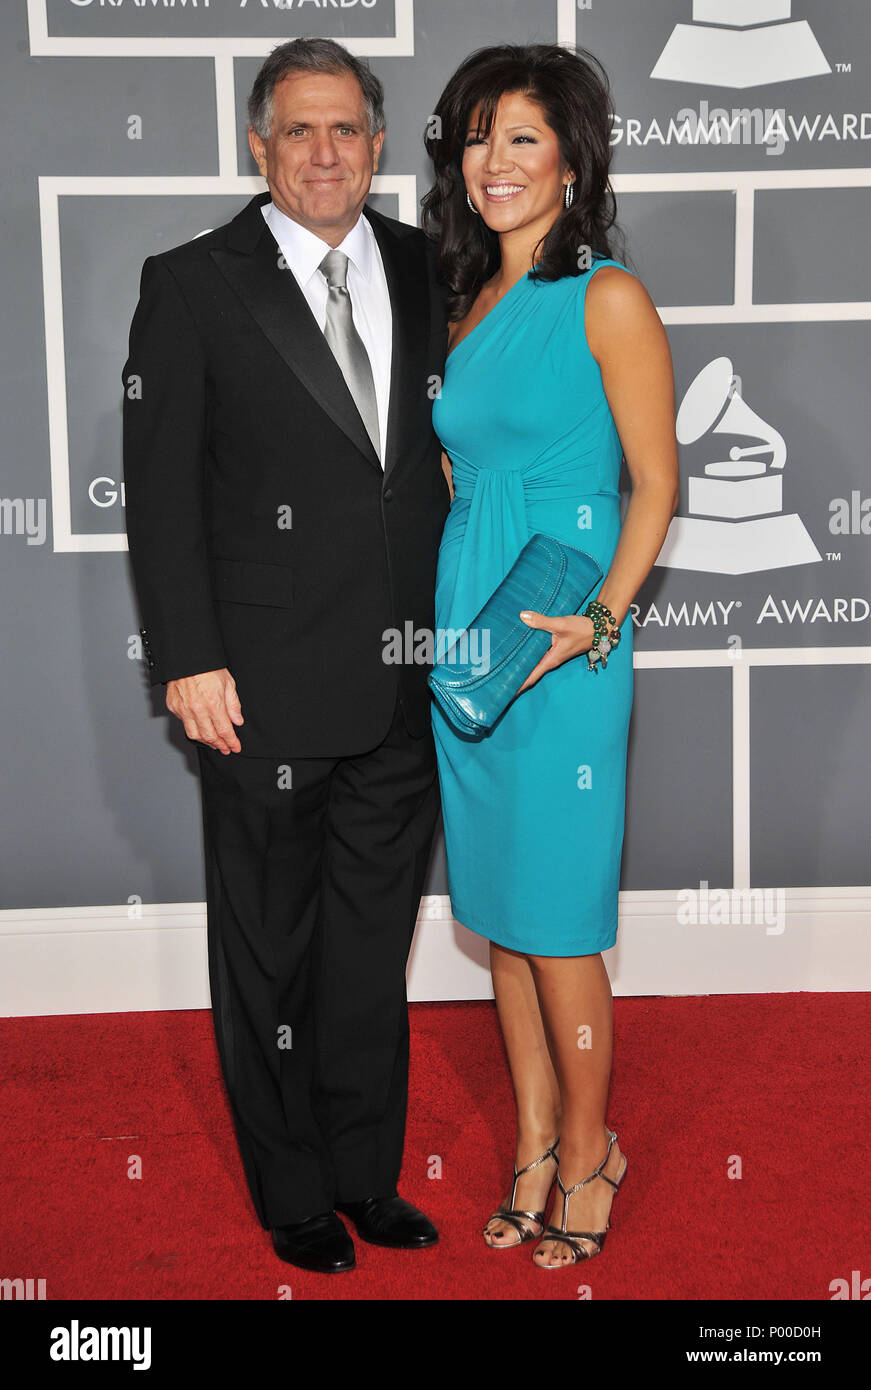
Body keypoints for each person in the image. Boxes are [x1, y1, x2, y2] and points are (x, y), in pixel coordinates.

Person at [122, 38, 450, 1274]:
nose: (325, 152)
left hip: (408, 676)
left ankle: (366, 1171)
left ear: (376, 143)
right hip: (254, 684)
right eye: (299, 131)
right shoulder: (194, 281)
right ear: (258, 147)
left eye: (348, 129)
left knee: (370, 944)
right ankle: (292, 1189)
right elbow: (159, 496)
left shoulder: (430, 269)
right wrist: (189, 656)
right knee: (269, 948)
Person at [422, 44, 679, 1268]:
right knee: (505, 918)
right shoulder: (465, 302)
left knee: (561, 918)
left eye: (521, 137)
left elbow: (657, 482)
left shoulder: (607, 297)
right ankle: (531, 1143)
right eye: (477, 137)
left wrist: (607, 617)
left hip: (566, 631)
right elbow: (464, 465)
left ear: (573, 161)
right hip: (471, 627)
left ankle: (590, 1153)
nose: (493, 162)